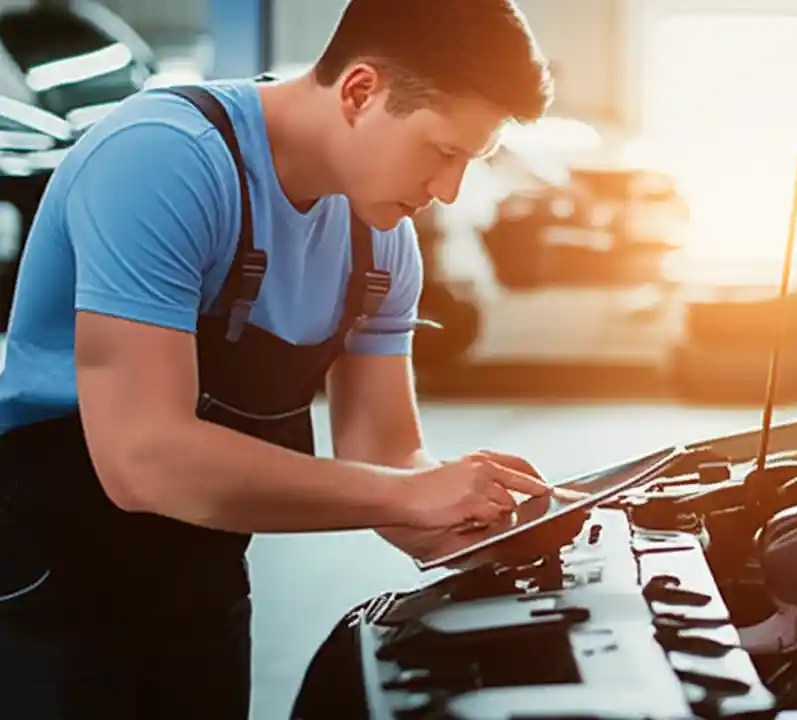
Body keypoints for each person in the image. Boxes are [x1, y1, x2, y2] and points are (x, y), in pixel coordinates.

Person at [0, 1, 554, 717]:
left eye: (470, 163)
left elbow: (388, 455)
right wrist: (408, 493)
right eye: (442, 151)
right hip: (44, 579)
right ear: (360, 91)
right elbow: (143, 460)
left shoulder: (379, 240)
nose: (447, 191)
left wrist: (494, 520)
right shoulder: (164, 159)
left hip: (199, 576)